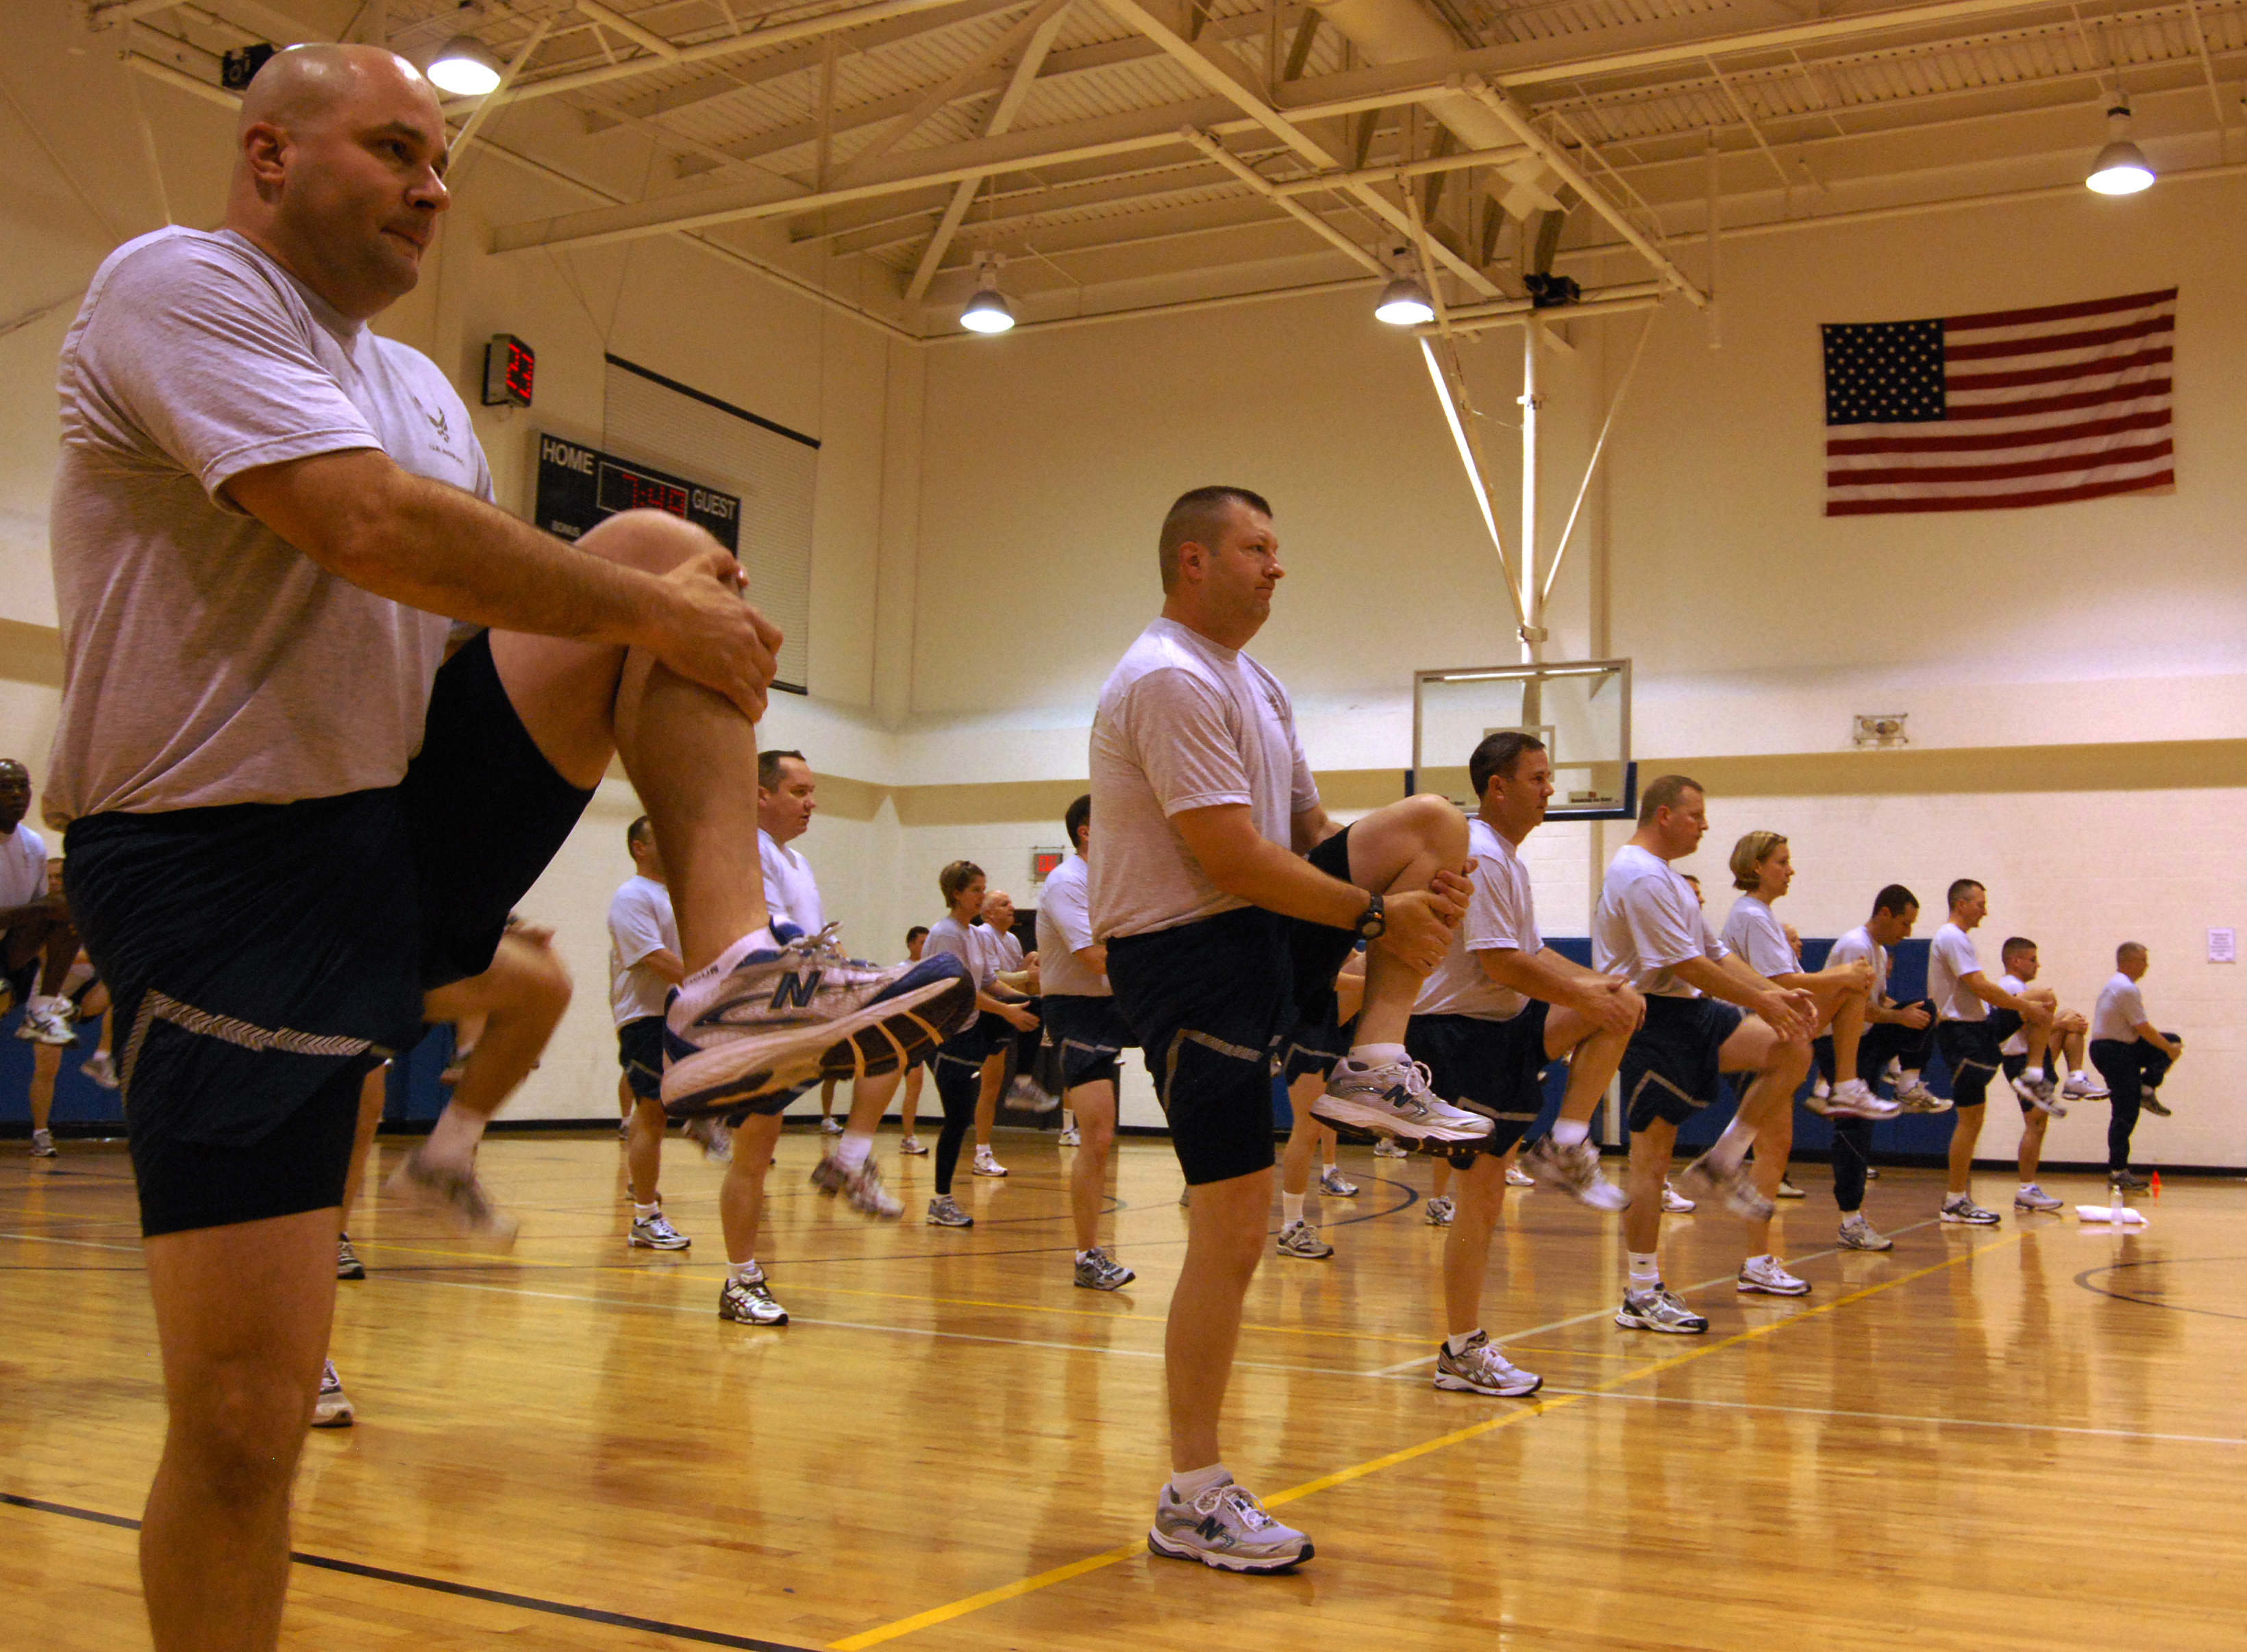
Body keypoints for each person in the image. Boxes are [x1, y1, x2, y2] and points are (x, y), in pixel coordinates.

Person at [43, 46, 966, 1652]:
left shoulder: (416, 389)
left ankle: (731, 974)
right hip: (215, 868)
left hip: (397, 826)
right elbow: (366, 530)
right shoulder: (172, 285)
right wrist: (641, 616)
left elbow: (487, 604)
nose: (433, 183)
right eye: (394, 147)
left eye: (442, 158)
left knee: (668, 552)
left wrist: (666, 618)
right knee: (249, 1423)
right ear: (267, 156)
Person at [1091, 484, 1485, 1573]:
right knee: (1234, 1225)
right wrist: (1372, 915)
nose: (1277, 568)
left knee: (1435, 829)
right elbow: (1226, 855)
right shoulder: (1167, 677)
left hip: (1259, 928)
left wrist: (1382, 929)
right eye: (1257, 549)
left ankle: (1375, 1059)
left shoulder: (1254, 681)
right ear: (1192, 564)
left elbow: (1310, 833)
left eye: (1279, 548)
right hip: (1186, 954)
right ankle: (1192, 1492)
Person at [1412, 731, 1640, 1397]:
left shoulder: (1506, 858)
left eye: (1549, 777)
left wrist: (1599, 986)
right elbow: (1499, 962)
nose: (1548, 789)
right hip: (1460, 1035)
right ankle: (1460, 1349)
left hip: (1502, 1027)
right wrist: (1587, 993)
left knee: (1623, 1005)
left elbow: (1532, 953)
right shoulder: (1482, 853)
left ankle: (1565, 1142)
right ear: (1497, 788)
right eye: (1537, 778)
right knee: (1479, 1200)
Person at [1594, 775, 1816, 1332]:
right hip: (1649, 1018)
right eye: (1697, 815)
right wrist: (1759, 1000)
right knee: (1651, 1161)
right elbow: (1685, 965)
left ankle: (1725, 1156)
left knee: (1792, 1046)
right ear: (1664, 815)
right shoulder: (1638, 874)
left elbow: (1713, 951)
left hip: (1691, 1012)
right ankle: (1642, 1291)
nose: (1706, 825)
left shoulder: (1667, 876)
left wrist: (1772, 996)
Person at [1035, 793, 1135, 1290]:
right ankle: (1087, 1256)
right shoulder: (1066, 882)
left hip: (1125, 1003)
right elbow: (1096, 958)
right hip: (1079, 1011)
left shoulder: (1119, 881)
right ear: (1085, 831)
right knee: (1097, 1134)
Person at [1816, 886, 1944, 1251]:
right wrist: (1897, 1017)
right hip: (1838, 1042)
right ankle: (1850, 1221)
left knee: (1926, 1011)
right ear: (1885, 914)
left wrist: (1906, 1014)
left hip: (1865, 1039)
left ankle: (1906, 1082)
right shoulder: (1857, 945)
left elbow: (1877, 1003)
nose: (1908, 932)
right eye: (1905, 923)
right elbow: (1856, 1008)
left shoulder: (1879, 948)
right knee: (1853, 1126)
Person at [1923, 881, 2056, 1227]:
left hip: (1977, 1029)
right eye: (1981, 903)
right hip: (1961, 1034)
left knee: (2044, 998)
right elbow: (1980, 986)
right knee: (1971, 1120)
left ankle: (2034, 1072)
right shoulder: (1951, 937)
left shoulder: (1959, 938)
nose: (1986, 910)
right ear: (1962, 904)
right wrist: (2022, 1007)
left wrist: (2029, 1009)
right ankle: (1954, 1201)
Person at [920, 861, 1039, 1226]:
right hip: (945, 1034)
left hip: (968, 1029)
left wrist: (1019, 1000)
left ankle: (1022, 1083)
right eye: (975, 890)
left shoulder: (971, 933)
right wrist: (1006, 1013)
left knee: (1036, 1010)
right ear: (956, 893)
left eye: (983, 889)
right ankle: (941, 1201)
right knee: (957, 1119)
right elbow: (960, 991)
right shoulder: (945, 934)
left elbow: (989, 981)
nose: (982, 896)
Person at [609, 815, 701, 1253]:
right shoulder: (632, 896)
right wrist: (715, 980)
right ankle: (645, 1216)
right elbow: (657, 959)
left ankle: (704, 1116)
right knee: (651, 1112)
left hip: (686, 1012)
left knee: (668, 1105)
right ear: (638, 847)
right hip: (646, 1015)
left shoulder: (678, 895)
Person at [1991, 936, 2100, 1213]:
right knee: (2035, 1126)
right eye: (2032, 959)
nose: (2037, 965)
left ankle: (2076, 1078)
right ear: (2016, 961)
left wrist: (2064, 1023)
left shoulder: (2019, 987)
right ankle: (2026, 1189)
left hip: (2033, 1054)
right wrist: (2061, 1022)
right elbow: (2026, 1030)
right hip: (2021, 1061)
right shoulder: (2011, 988)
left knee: (2070, 1020)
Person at [0, 762, 79, 1051]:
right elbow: (38, 910)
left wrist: (56, 910)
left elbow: (42, 912)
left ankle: (42, 1009)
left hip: (8, 952)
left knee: (68, 906)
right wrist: (42, 909)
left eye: (23, 786)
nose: (17, 795)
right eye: (6, 788)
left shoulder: (33, 844)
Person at [2091, 943, 2182, 1191]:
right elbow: (2144, 1028)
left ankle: (2147, 1088)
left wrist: (2168, 1047)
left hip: (2124, 1047)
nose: (2146, 965)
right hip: (2113, 1051)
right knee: (2125, 1111)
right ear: (2129, 962)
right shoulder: (2125, 988)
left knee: (2171, 1041)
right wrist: (2169, 1050)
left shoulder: (2122, 986)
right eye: (2142, 960)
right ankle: (2118, 1171)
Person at [899, 925, 931, 1153]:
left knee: (917, 1086)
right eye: (922, 943)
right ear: (911, 944)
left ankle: (908, 1137)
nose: (925, 947)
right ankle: (908, 1138)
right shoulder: (902, 970)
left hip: (929, 1033)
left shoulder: (932, 969)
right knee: (913, 1082)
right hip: (908, 1035)